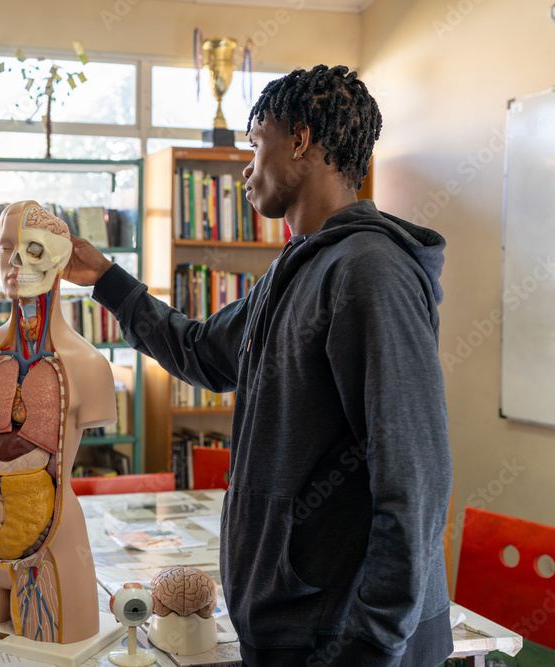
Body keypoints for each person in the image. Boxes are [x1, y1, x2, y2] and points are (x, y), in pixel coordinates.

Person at [64, 65, 453, 666]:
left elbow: (415, 483)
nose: (247, 167)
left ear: (298, 140)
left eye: (255, 142)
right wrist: (108, 282)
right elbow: (202, 351)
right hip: (286, 627)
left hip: (340, 643)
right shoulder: (294, 273)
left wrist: (370, 646)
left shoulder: (370, 272)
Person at [0, 201, 117, 643]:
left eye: (32, 249)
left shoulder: (90, 367)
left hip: (53, 547)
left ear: (60, 259)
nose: (14, 263)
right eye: (5, 248)